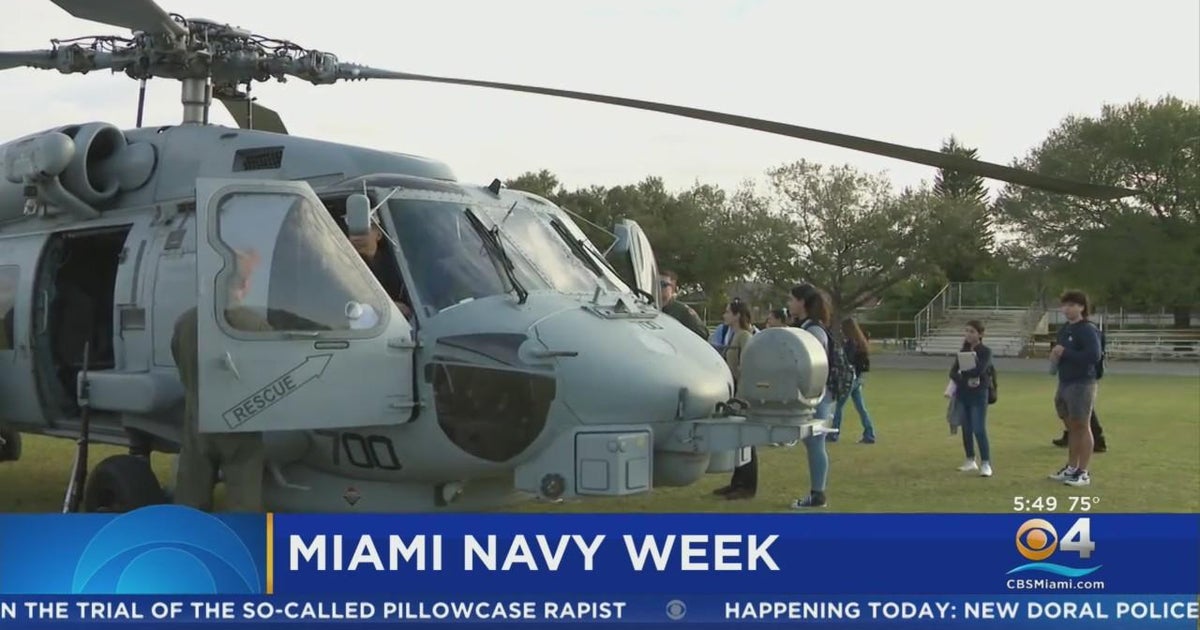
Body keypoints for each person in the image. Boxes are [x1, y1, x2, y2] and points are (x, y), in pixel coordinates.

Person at [171, 250, 271, 512]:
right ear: (245, 285)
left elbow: (180, 363)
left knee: (190, 501)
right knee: (244, 503)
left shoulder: (185, 322)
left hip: (198, 421)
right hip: (241, 427)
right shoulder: (256, 326)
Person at [787, 283, 834, 509]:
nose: (789, 304)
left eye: (791, 299)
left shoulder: (813, 330)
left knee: (815, 443)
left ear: (802, 302)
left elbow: (815, 366)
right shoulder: (806, 327)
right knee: (813, 443)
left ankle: (818, 495)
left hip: (818, 396)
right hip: (814, 395)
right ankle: (817, 493)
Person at [1048, 290, 1102, 487]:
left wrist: (1067, 352)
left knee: (1082, 426)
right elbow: (1061, 353)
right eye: (1065, 305)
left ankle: (1083, 472)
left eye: (1072, 305)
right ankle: (1071, 467)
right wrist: (1055, 356)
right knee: (1071, 427)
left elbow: (1093, 355)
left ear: (1081, 307)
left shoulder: (1087, 329)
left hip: (1082, 383)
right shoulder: (1064, 330)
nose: (1067, 308)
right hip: (1065, 382)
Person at [712, 300, 757, 500]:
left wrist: (741, 394)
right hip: (733, 390)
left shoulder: (744, 336)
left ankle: (747, 485)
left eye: (728, 312)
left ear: (738, 315)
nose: (724, 315)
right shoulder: (731, 335)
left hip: (741, 393)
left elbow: (748, 366)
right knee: (738, 439)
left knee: (747, 440)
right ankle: (736, 481)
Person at [949, 320, 994, 477]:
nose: (968, 334)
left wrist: (965, 373)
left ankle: (986, 463)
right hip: (963, 394)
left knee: (978, 428)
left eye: (972, 331)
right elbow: (953, 372)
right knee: (966, 429)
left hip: (979, 394)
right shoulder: (963, 351)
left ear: (980, 334)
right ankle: (970, 459)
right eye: (966, 331)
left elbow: (979, 370)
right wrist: (962, 378)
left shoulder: (985, 351)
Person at [348, 219, 412, 319]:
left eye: (363, 230)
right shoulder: (345, 265)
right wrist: (390, 307)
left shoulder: (397, 263)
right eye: (352, 232)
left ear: (378, 235)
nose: (356, 237)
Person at [831, 317, 876, 444]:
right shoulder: (861, 342)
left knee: (838, 407)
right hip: (858, 378)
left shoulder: (850, 343)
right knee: (861, 408)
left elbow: (848, 361)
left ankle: (834, 432)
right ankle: (869, 433)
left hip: (850, 378)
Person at [659, 270, 708, 340]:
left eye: (663, 284)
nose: (658, 287)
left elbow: (702, 334)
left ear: (673, 289)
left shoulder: (683, 311)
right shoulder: (647, 308)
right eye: (655, 284)